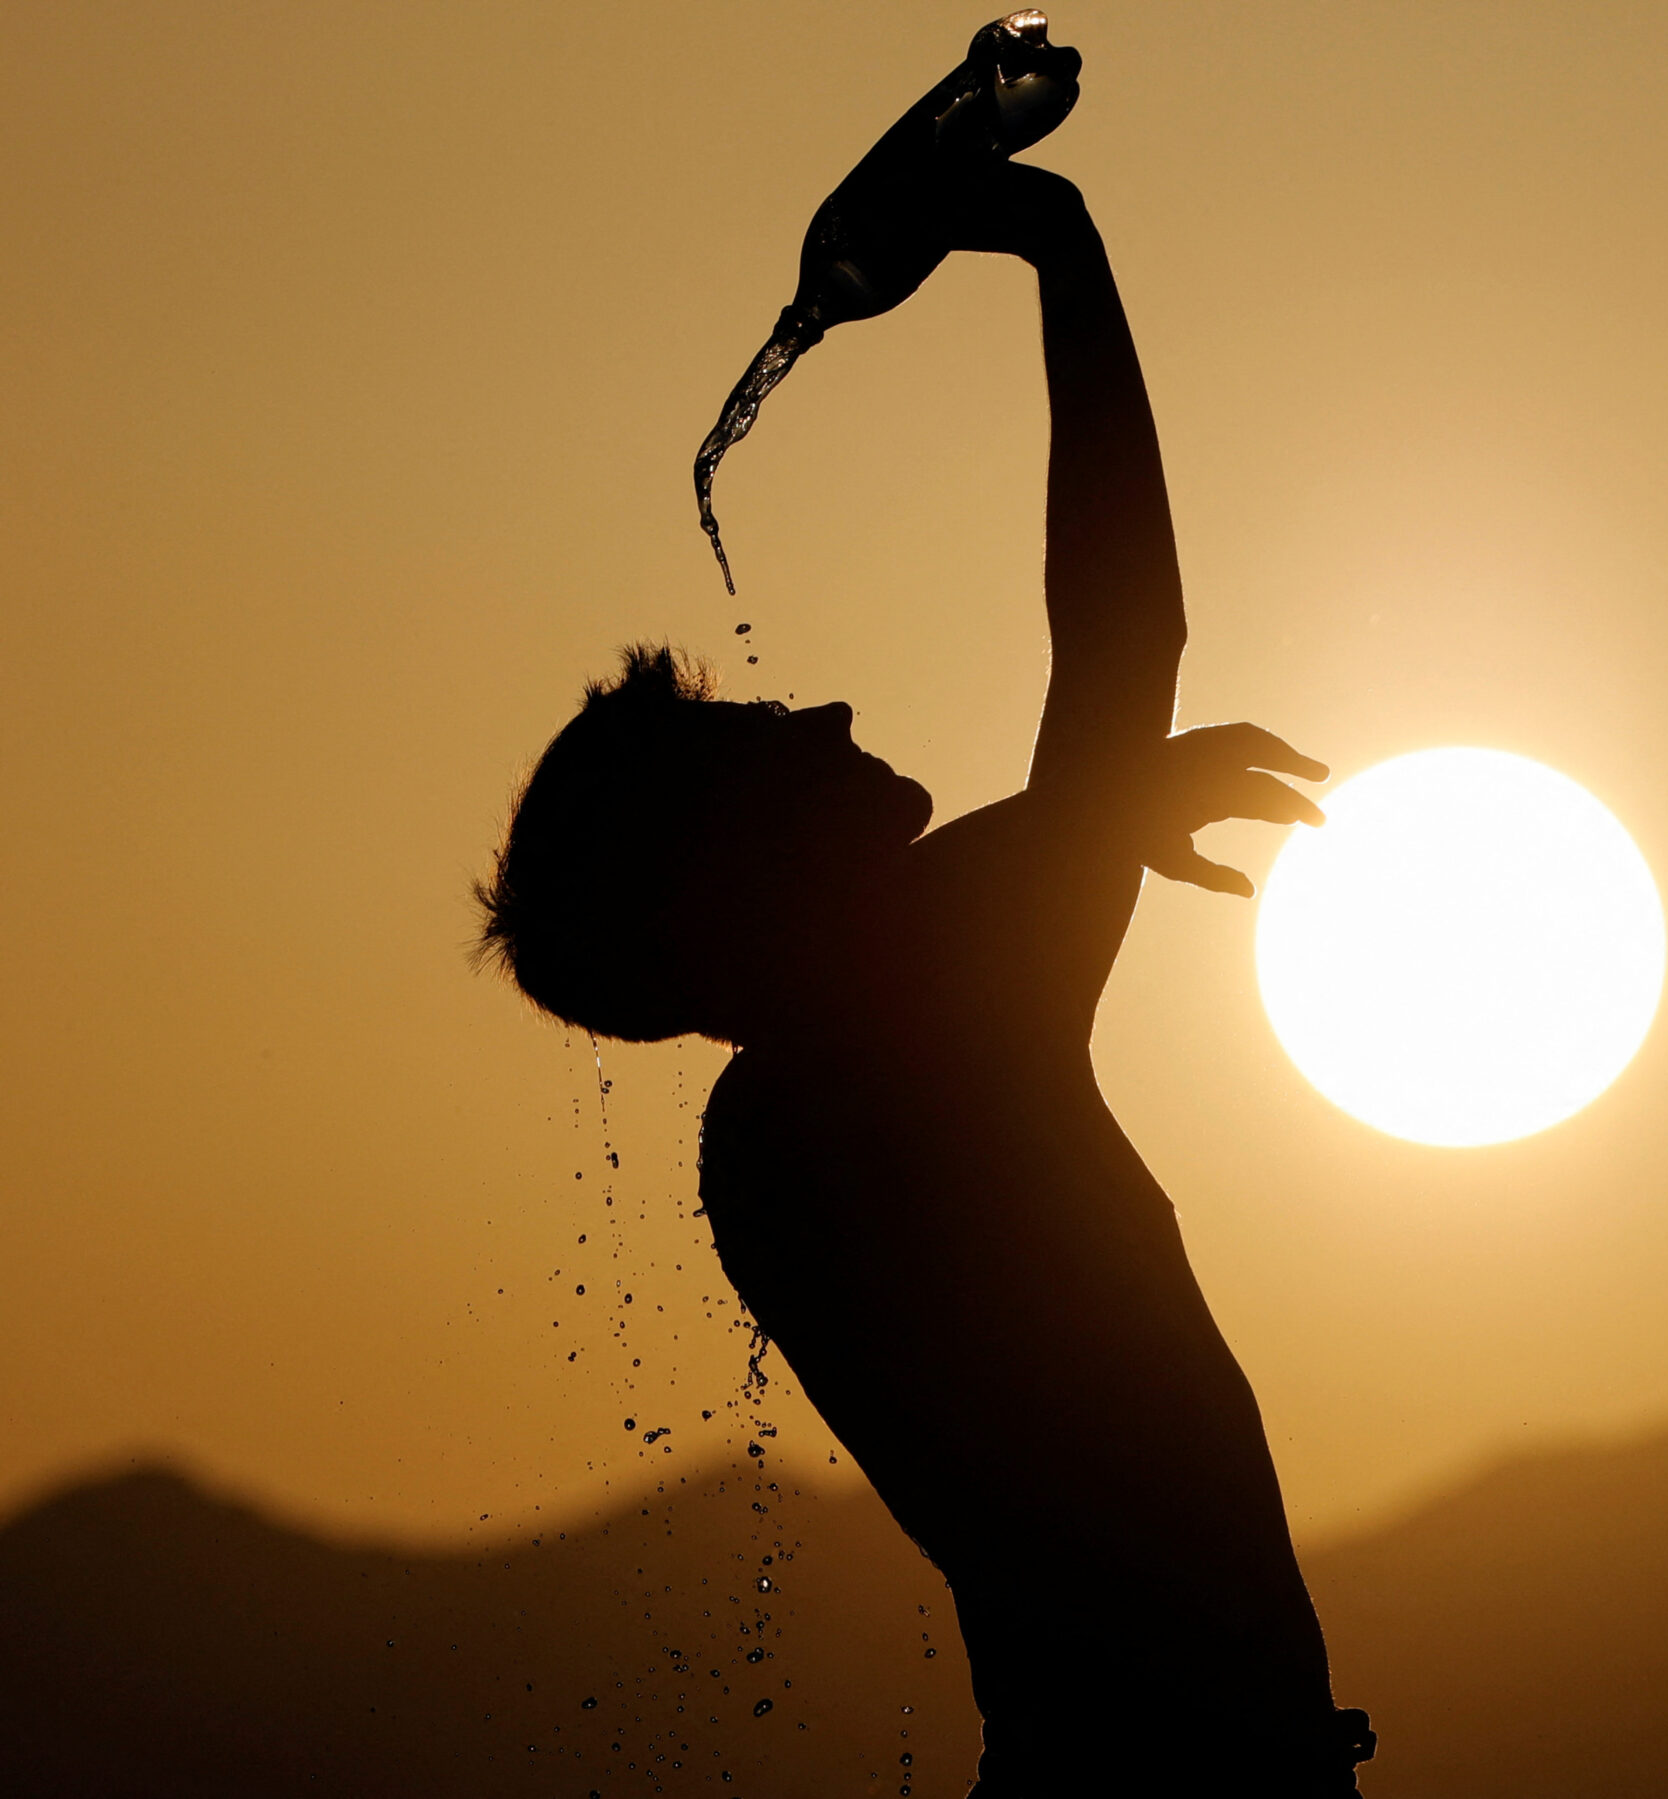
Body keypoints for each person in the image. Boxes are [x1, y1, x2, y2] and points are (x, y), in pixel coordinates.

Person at [476, 157, 1375, 1796]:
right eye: (766, 746)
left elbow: (1082, 744)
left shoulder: (798, 1102)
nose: (817, 719)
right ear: (737, 880)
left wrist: (1090, 805)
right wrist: (1057, 241)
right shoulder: (906, 1044)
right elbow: (1121, 640)